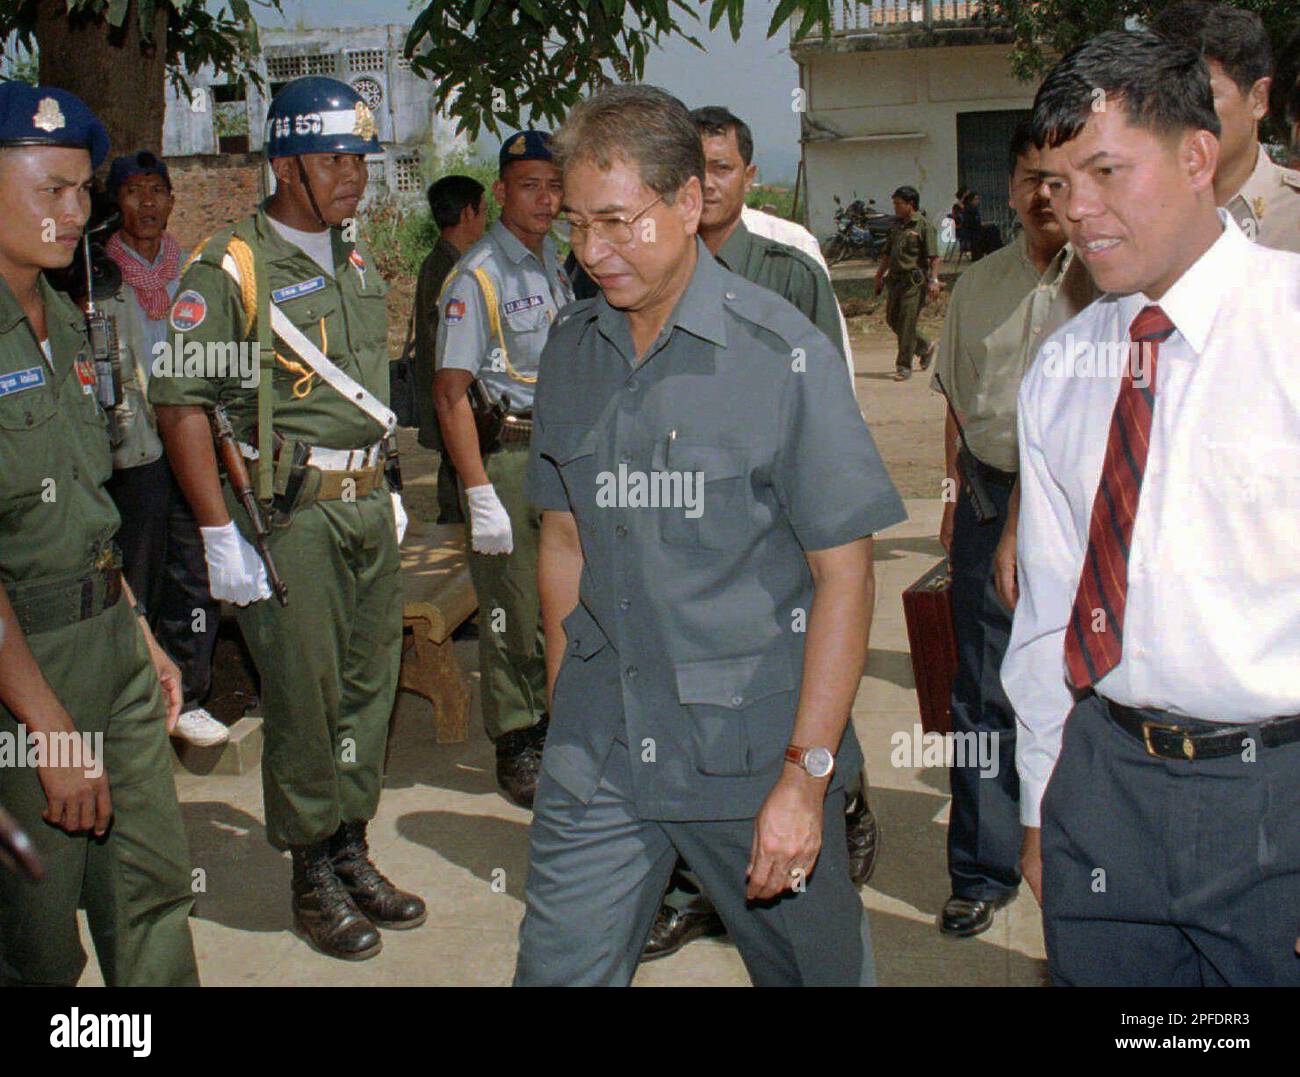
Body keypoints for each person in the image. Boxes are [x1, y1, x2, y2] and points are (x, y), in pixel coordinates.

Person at [514, 83, 906, 987]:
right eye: (575, 224)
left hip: (752, 755)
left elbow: (844, 575)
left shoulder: (781, 356)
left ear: (689, 203)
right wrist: (566, 706)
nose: (591, 251)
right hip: (603, 749)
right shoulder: (573, 351)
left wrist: (807, 782)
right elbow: (564, 540)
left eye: (617, 221)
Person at [1004, 30, 1300, 986]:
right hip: (1106, 785)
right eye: (1056, 182)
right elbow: (1049, 613)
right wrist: (1045, 804)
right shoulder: (1063, 368)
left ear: (1196, 155)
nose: (1075, 212)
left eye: (1104, 172)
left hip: (1277, 796)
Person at [151, 76, 424, 962]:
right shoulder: (230, 265)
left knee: (364, 688)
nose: (354, 176)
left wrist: (384, 484)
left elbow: (365, 393)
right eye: (336, 158)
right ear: (286, 160)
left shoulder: (348, 257)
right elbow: (184, 404)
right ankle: (310, 866)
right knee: (305, 701)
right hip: (289, 517)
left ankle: (351, 844)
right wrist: (218, 532)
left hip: (364, 510)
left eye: (361, 159)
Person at [637, 104, 883, 963]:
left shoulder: (787, 270)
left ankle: (832, 800)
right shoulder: (637, 266)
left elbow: (833, 399)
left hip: (779, 520)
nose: (707, 187)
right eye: (691, 171)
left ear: (748, 175)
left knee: (795, 676)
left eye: (723, 169)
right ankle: (701, 886)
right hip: (674, 516)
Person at [0, 82, 198, 986]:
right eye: (52, 190)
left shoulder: (75, 320)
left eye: (86, 190)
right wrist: (45, 725)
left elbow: (89, 510)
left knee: (151, 890)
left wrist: (140, 632)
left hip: (108, 641)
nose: (77, 212)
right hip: (23, 666)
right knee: (36, 934)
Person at [929, 119, 1076, 939]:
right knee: (982, 689)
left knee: (1083, 685)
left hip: (1083, 505)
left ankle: (1076, 851)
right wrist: (954, 493)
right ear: (1009, 189)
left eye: (1058, 178)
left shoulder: (1108, 278)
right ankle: (982, 870)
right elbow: (956, 397)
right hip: (991, 500)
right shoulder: (978, 283)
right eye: (1029, 179)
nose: (1044, 194)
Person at [433, 131, 572, 809]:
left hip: (559, 452)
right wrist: (478, 490)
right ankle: (516, 737)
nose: (544, 198)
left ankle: (554, 720)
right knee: (512, 605)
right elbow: (450, 391)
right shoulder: (478, 275)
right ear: (500, 193)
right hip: (509, 456)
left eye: (553, 185)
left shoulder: (554, 264)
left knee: (556, 600)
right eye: (529, 185)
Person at [102, 151, 225, 749]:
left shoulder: (195, 272)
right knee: (136, 573)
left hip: (193, 442)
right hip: (133, 454)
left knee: (197, 573)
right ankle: (135, 703)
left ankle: (193, 693)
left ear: (173, 200)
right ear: (116, 203)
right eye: (133, 192)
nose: (147, 203)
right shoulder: (98, 277)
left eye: (157, 191)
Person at [1152, 2, 1300, 253]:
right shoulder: (1127, 215)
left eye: (1201, 95)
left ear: (1258, 98)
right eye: (1161, 96)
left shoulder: (1292, 215)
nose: (1176, 113)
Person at [413, 174, 487, 525]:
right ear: (468, 213)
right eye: (483, 212)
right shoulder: (449, 268)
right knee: (456, 466)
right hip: (453, 392)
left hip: (449, 391)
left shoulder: (449, 262)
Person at [875, 185, 939, 381]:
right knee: (893, 319)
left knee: (907, 322)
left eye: (898, 204)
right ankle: (924, 346)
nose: (895, 207)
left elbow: (934, 257)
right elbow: (887, 254)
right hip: (895, 281)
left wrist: (934, 280)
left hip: (914, 282)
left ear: (910, 204)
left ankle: (903, 366)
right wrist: (878, 276)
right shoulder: (896, 226)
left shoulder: (923, 226)